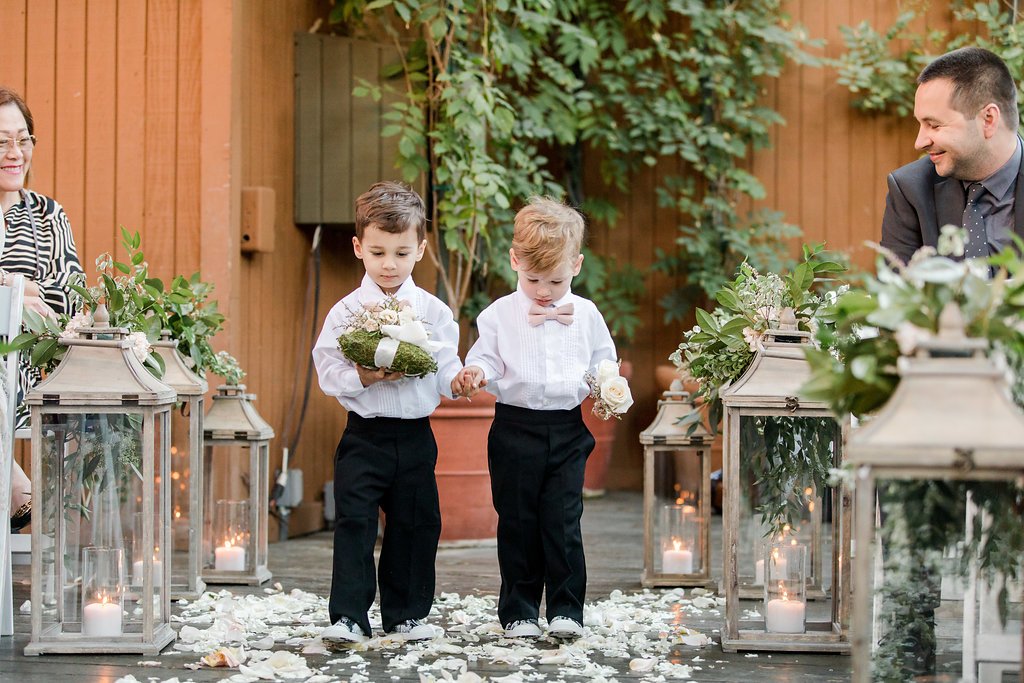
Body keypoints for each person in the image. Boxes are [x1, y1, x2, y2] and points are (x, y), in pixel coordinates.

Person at [453, 197, 616, 641]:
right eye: (533, 279)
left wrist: (609, 388)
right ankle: (520, 610)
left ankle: (566, 608)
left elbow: (605, 363)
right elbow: (485, 357)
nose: (544, 291)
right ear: (514, 261)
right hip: (514, 428)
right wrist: (475, 373)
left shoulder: (586, 316)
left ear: (577, 265)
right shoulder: (499, 315)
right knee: (518, 520)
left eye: (556, 280)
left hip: (567, 428)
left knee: (563, 519)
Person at [312, 181, 461, 645]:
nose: (389, 264)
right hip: (364, 435)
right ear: (359, 248)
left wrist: (458, 381)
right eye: (378, 252)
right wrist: (364, 378)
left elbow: (445, 365)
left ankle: (406, 615)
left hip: (416, 435)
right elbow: (327, 368)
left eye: (401, 252)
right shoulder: (346, 311)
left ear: (421, 248)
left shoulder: (433, 312)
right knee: (354, 520)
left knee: (416, 523)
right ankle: (350, 616)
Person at [0, 86, 84, 531]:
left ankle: (15, 493)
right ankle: (15, 490)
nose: (14, 153)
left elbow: (68, 296)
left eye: (23, 139)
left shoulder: (47, 215)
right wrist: (12, 287)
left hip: (27, 364)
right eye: (0, 141)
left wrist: (25, 297)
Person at [881, 46, 1024, 265]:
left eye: (934, 125)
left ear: (988, 119)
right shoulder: (910, 190)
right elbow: (897, 293)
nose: (920, 142)